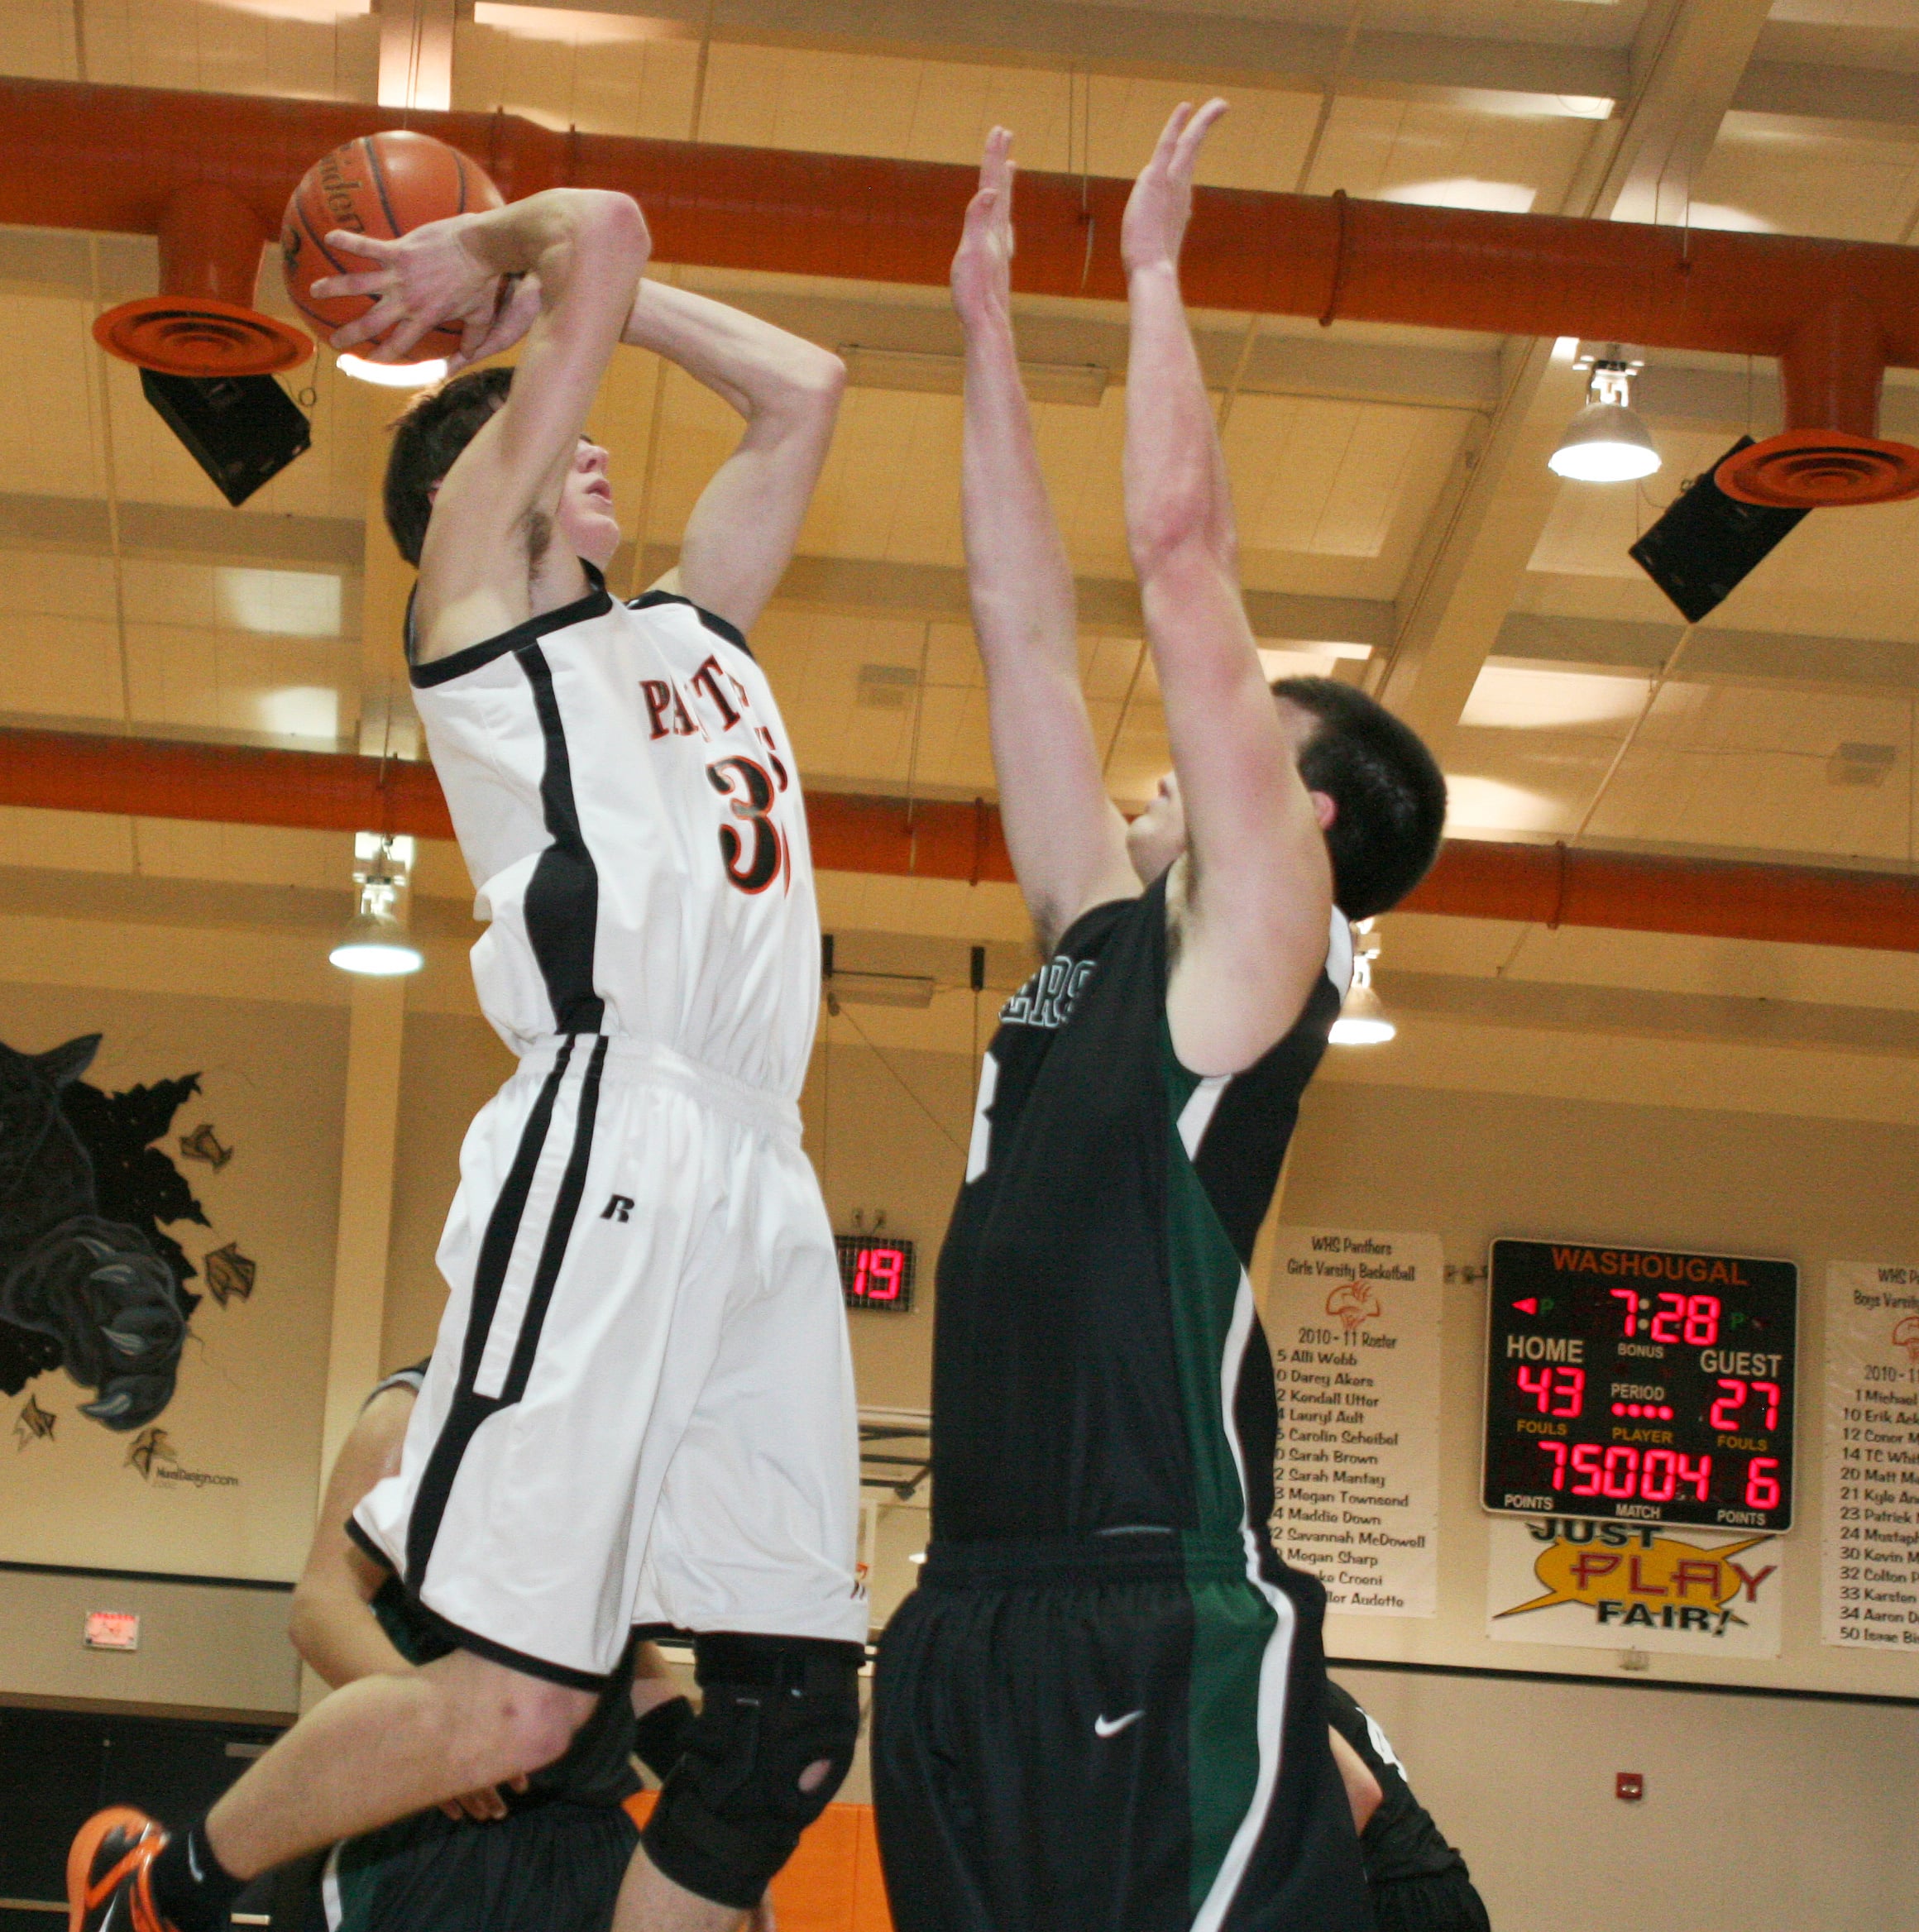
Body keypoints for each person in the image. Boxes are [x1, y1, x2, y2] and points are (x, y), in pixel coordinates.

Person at [72, 183, 865, 1932]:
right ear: (463, 503)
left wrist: (589, 298)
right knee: (517, 1696)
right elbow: (612, 223)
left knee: (789, 1723)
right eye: (533, 440)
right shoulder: (480, 630)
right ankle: (174, 1884)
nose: (586, 453)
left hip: (759, 1160)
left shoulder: (691, 635)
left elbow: (802, 389)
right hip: (615, 1124)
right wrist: (512, 260)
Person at [871, 108, 1447, 1932]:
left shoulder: (1257, 955)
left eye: (1227, 743)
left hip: (1150, 1592)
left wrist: (1147, 276)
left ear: (1306, 820)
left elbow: (1176, 556)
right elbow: (1016, 628)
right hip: (969, 1592)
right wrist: (978, 334)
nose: (1167, 748)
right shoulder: (1101, 937)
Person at [270, 1359, 775, 1932]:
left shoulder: (613, 1422)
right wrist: (435, 1724)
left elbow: (620, 1647)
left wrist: (716, 1834)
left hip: (590, 1834)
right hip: (437, 1830)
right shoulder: (416, 1409)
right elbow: (320, 1607)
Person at [1323, 1684, 1490, 1932]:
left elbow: (1363, 1794)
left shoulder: (1288, 1693)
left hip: (1405, 1897)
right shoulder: (1321, 1691)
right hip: (1436, 1888)